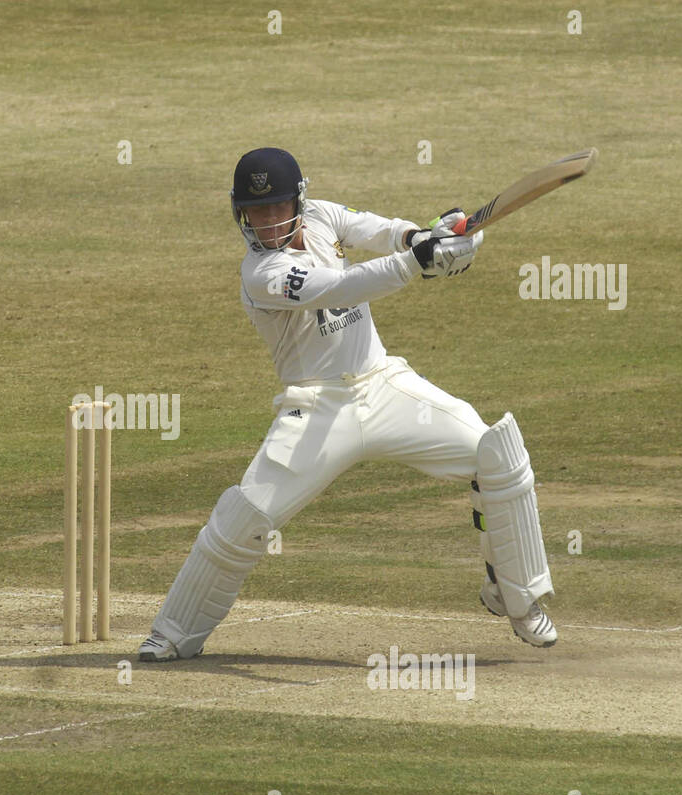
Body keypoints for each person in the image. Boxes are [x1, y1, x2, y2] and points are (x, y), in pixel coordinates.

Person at [138, 148, 556, 662]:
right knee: (245, 518)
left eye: (276, 207)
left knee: (497, 453)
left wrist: (426, 235)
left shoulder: (321, 216)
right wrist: (420, 260)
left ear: (299, 200)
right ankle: (173, 633)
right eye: (255, 211)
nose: (267, 222)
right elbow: (341, 286)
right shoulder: (261, 273)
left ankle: (517, 598)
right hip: (316, 408)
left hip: (384, 385)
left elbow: (381, 231)